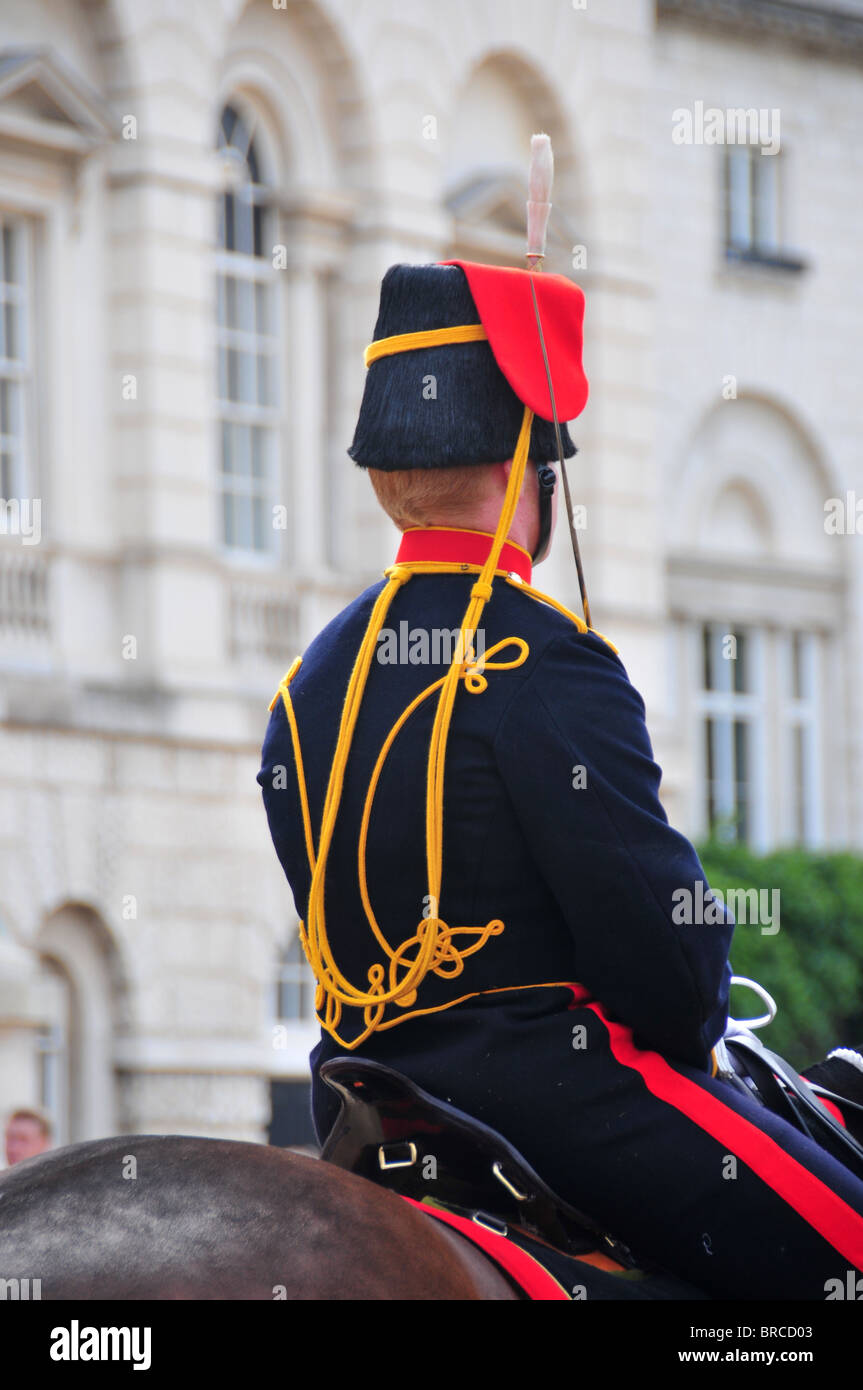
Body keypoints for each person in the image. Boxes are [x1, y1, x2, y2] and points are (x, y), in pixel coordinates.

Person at [258, 258, 863, 1298]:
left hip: (367, 1115)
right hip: (564, 1107)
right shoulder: (543, 657)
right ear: (524, 473)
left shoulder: (305, 684)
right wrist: (695, 1014)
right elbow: (667, 968)